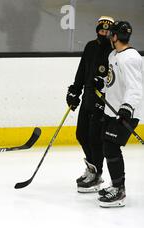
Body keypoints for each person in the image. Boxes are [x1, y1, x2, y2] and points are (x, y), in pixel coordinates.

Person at [94, 21, 142, 208]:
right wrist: (103, 84)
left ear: (115, 37)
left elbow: (135, 87)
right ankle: (116, 185)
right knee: (108, 146)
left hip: (126, 111)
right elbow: (114, 80)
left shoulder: (130, 58)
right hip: (113, 110)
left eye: (111, 34)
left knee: (111, 147)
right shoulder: (114, 54)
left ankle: (119, 190)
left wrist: (127, 107)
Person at [66, 16, 114, 193]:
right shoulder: (90, 47)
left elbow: (114, 78)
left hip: (102, 101)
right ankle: (92, 167)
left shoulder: (113, 51)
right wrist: (74, 91)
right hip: (87, 97)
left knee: (95, 138)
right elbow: (82, 71)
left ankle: (97, 173)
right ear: (97, 31)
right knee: (81, 134)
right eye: (102, 31)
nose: (105, 34)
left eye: (108, 32)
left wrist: (103, 83)